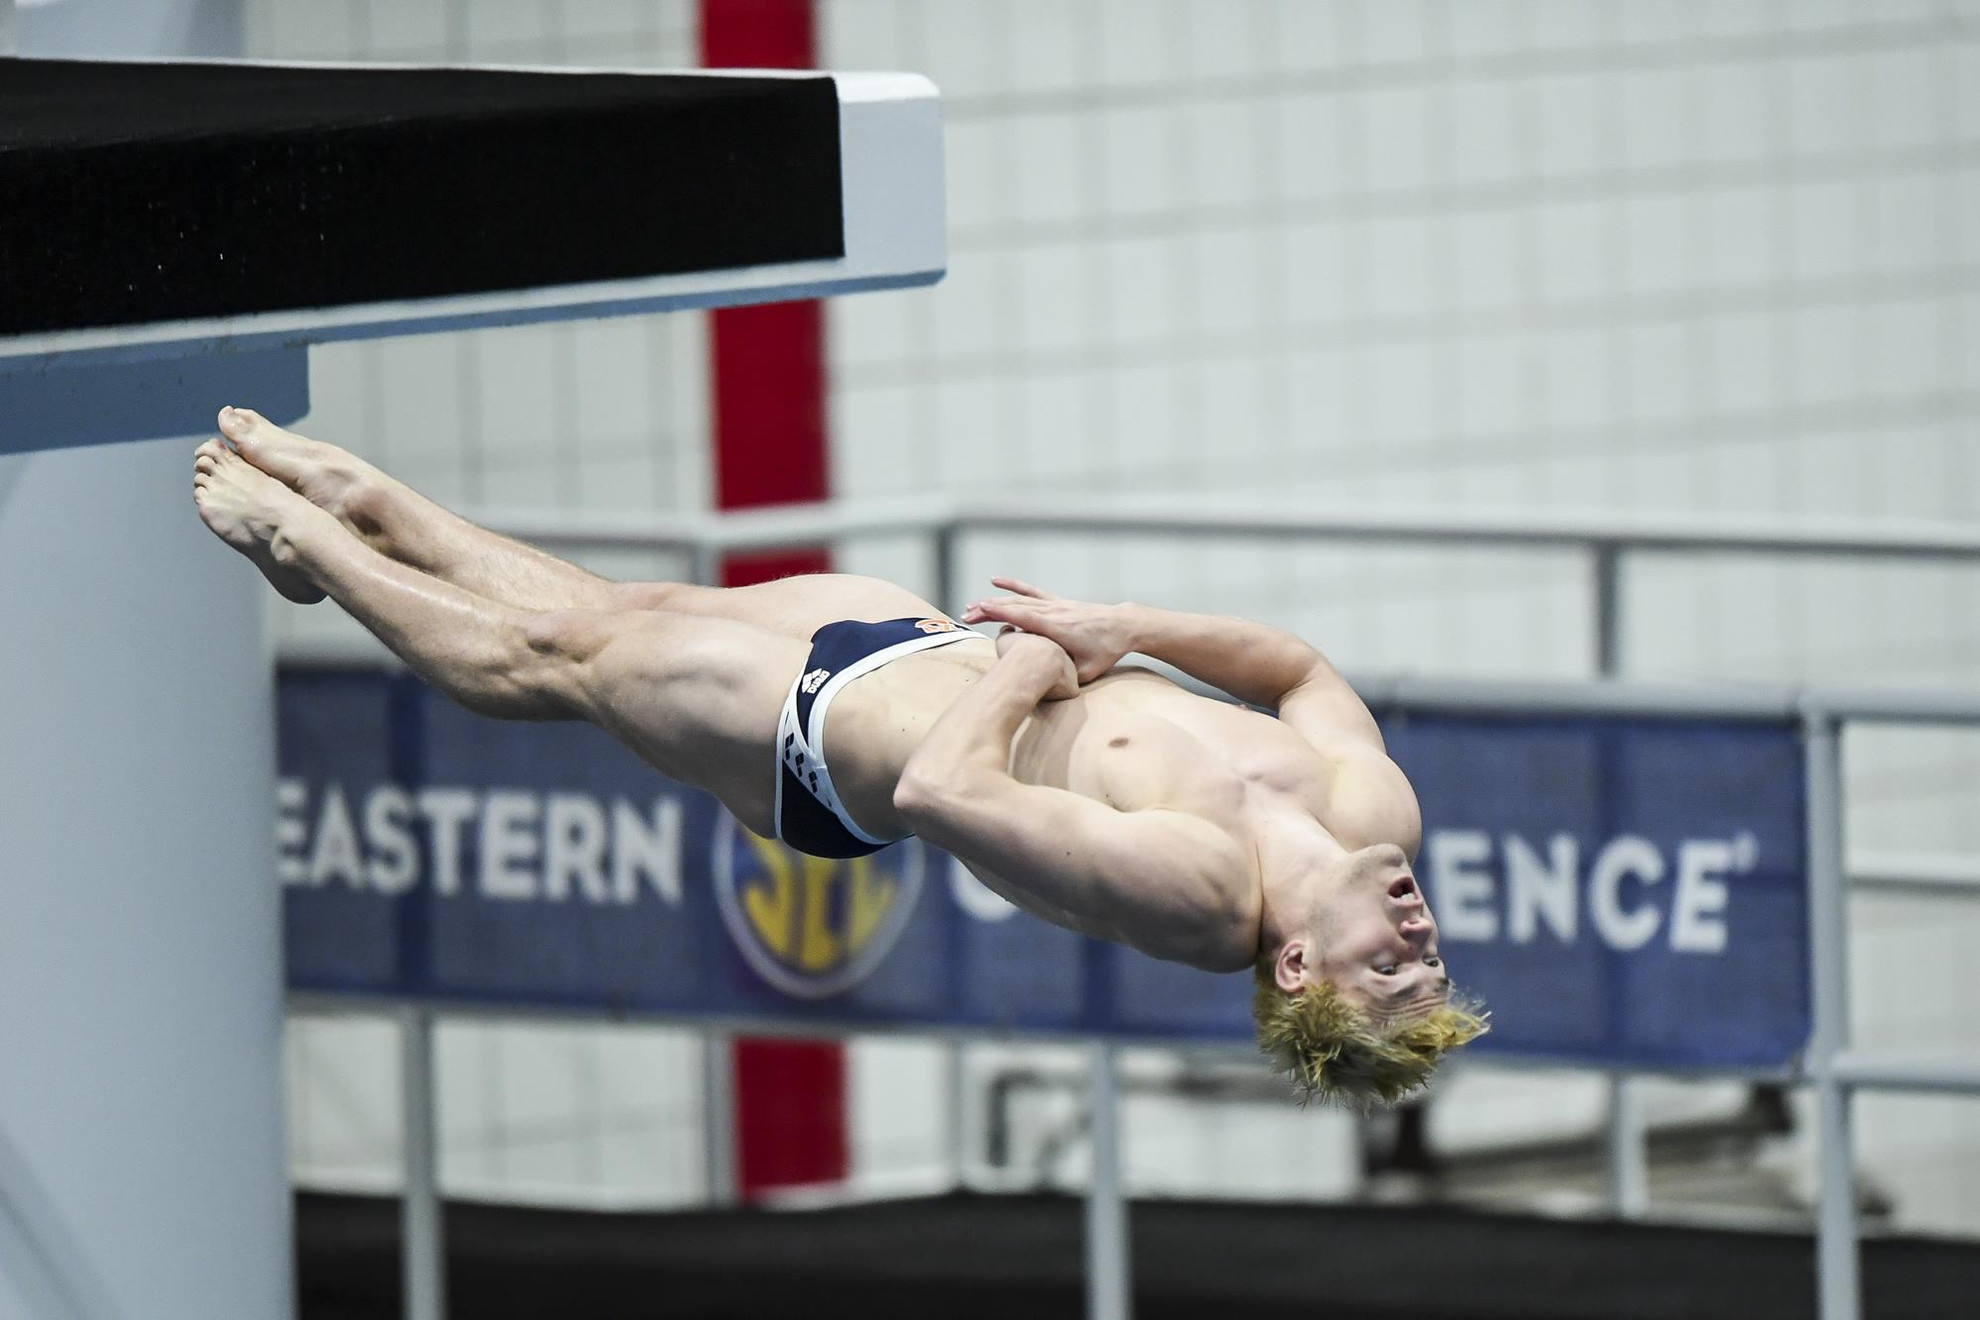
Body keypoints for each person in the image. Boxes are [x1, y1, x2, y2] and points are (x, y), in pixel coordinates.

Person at [192, 406, 1486, 1106]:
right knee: (609, 614)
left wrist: (1039, 666)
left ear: (1301, 963)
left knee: (555, 666)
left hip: (823, 746)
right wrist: (1117, 629)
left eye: (1394, 969)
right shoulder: (1378, 805)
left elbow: (943, 794)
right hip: (906, 640)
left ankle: (321, 555)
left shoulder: (1205, 897)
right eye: (1430, 959)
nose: (1420, 936)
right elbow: (1300, 670)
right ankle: (374, 511)